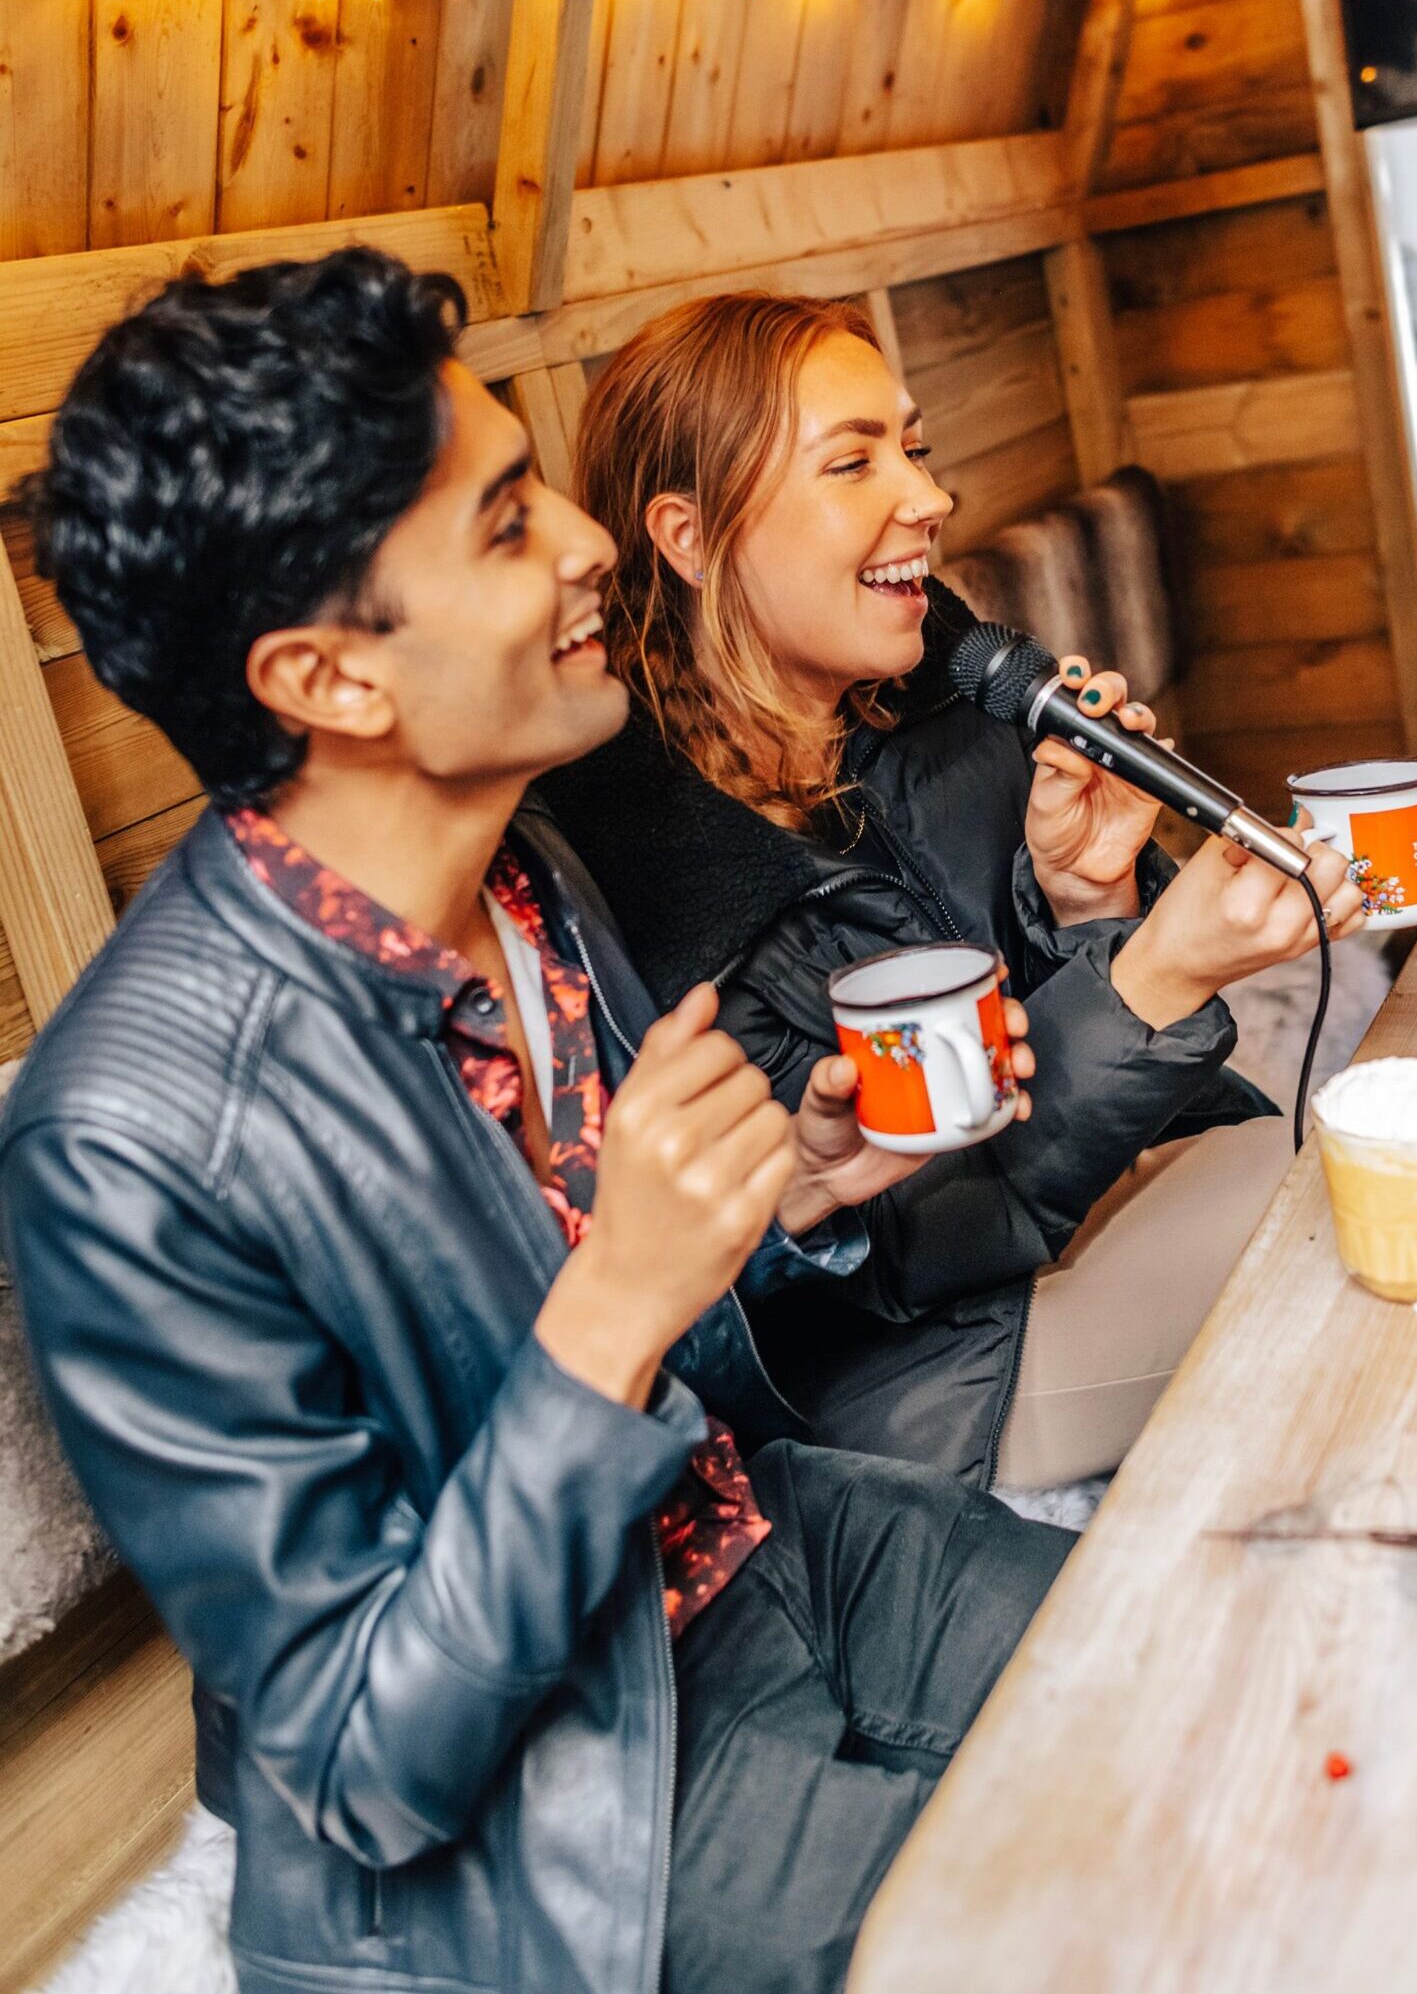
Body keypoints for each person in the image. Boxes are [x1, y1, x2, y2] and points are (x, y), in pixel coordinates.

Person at [0, 251, 1073, 1994]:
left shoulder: (526, 870)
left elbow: (690, 1342)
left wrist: (790, 1191)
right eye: (506, 522)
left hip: (766, 1538)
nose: (588, 542)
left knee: (1207, 1662)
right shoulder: (129, 1137)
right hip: (560, 1809)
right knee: (1100, 1917)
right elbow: (362, 1764)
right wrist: (615, 1309)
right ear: (330, 681)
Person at [538, 292, 1366, 1491]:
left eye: (913, 447)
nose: (928, 499)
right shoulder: (648, 878)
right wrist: (1153, 977)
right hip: (918, 1369)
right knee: (1342, 1206)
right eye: (852, 461)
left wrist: (1088, 899)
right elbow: (900, 1240)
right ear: (690, 535)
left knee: (1374, 1147)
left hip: (1101, 1208)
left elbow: (1068, 1055)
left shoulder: (948, 694)